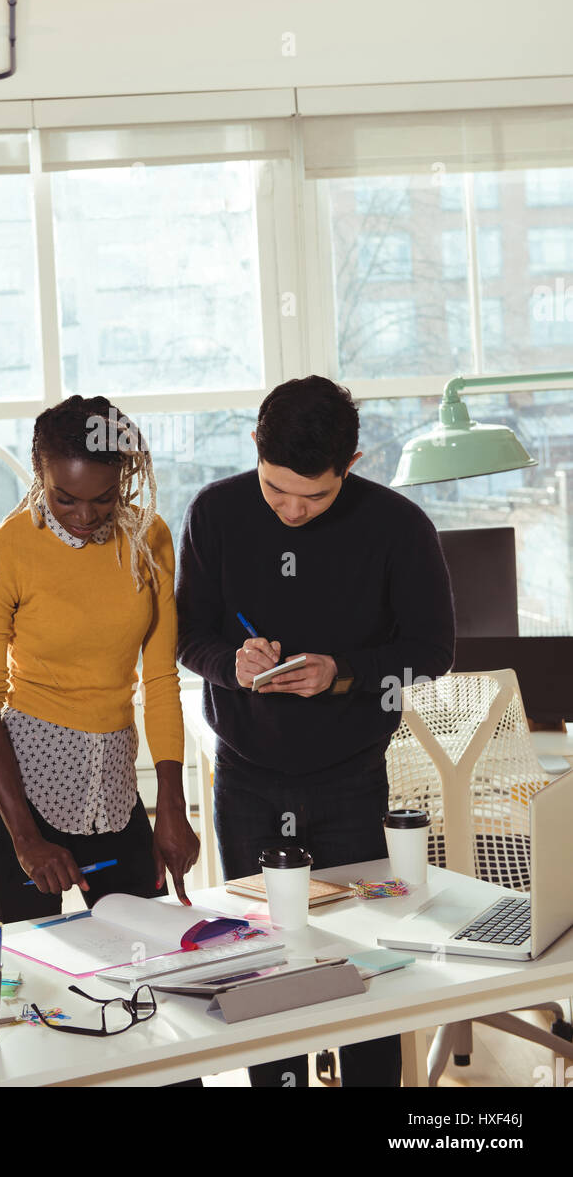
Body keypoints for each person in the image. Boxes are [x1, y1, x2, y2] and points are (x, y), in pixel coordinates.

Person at [175, 375, 455, 1088]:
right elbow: (189, 636)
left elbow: (432, 652)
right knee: (260, 970)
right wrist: (231, 665)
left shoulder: (396, 525)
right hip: (243, 776)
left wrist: (342, 673)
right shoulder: (215, 512)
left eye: (316, 496)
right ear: (253, 451)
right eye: (276, 492)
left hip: (352, 777)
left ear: (351, 463)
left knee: (367, 967)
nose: (293, 510)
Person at [0, 394, 200, 927]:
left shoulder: (150, 538)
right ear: (39, 473)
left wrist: (171, 805)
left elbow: (161, 679)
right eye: (65, 499)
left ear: (125, 478)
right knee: (36, 962)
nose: (86, 516)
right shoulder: (5, 553)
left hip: (116, 786)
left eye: (104, 498)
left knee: (146, 951)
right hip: (20, 790)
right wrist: (24, 838)